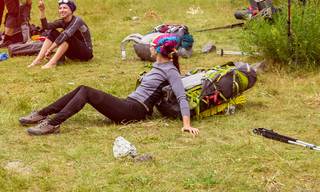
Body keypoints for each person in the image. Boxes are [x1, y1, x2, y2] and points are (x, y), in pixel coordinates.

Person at [19, 33, 200, 136]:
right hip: (129, 104)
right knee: (82, 88)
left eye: (152, 45)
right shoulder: (159, 65)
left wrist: (187, 124)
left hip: (134, 111)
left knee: (87, 92)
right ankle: (42, 114)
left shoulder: (170, 70)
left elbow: (181, 96)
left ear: (158, 49)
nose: (150, 48)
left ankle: (53, 123)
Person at [27, 0, 93, 69]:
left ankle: (52, 62)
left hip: (85, 53)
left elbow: (65, 35)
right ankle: (38, 60)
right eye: (60, 8)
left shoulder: (78, 20)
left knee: (66, 35)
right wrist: (42, 11)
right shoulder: (62, 21)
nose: (62, 10)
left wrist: (50, 49)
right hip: (72, 55)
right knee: (53, 32)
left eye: (65, 8)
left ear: (71, 10)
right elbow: (46, 27)